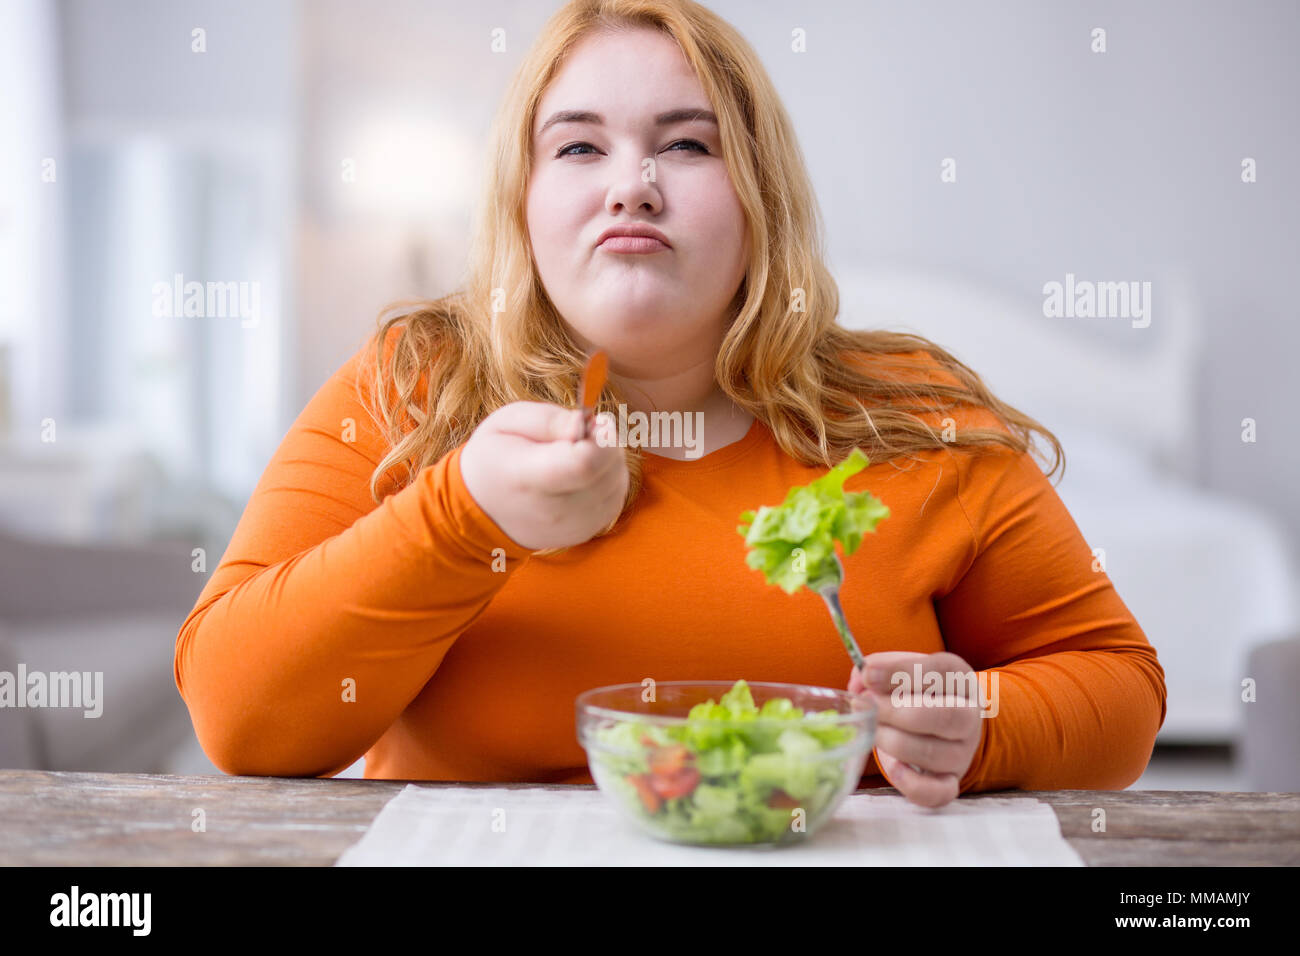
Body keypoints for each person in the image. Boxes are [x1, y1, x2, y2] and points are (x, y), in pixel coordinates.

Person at [174, 0, 1166, 809]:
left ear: (758, 198)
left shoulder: (914, 411)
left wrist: (982, 720)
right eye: (577, 149)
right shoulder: (412, 385)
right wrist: (461, 515)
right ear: (521, 203)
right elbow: (237, 716)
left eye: (686, 146)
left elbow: (1118, 686)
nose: (631, 187)